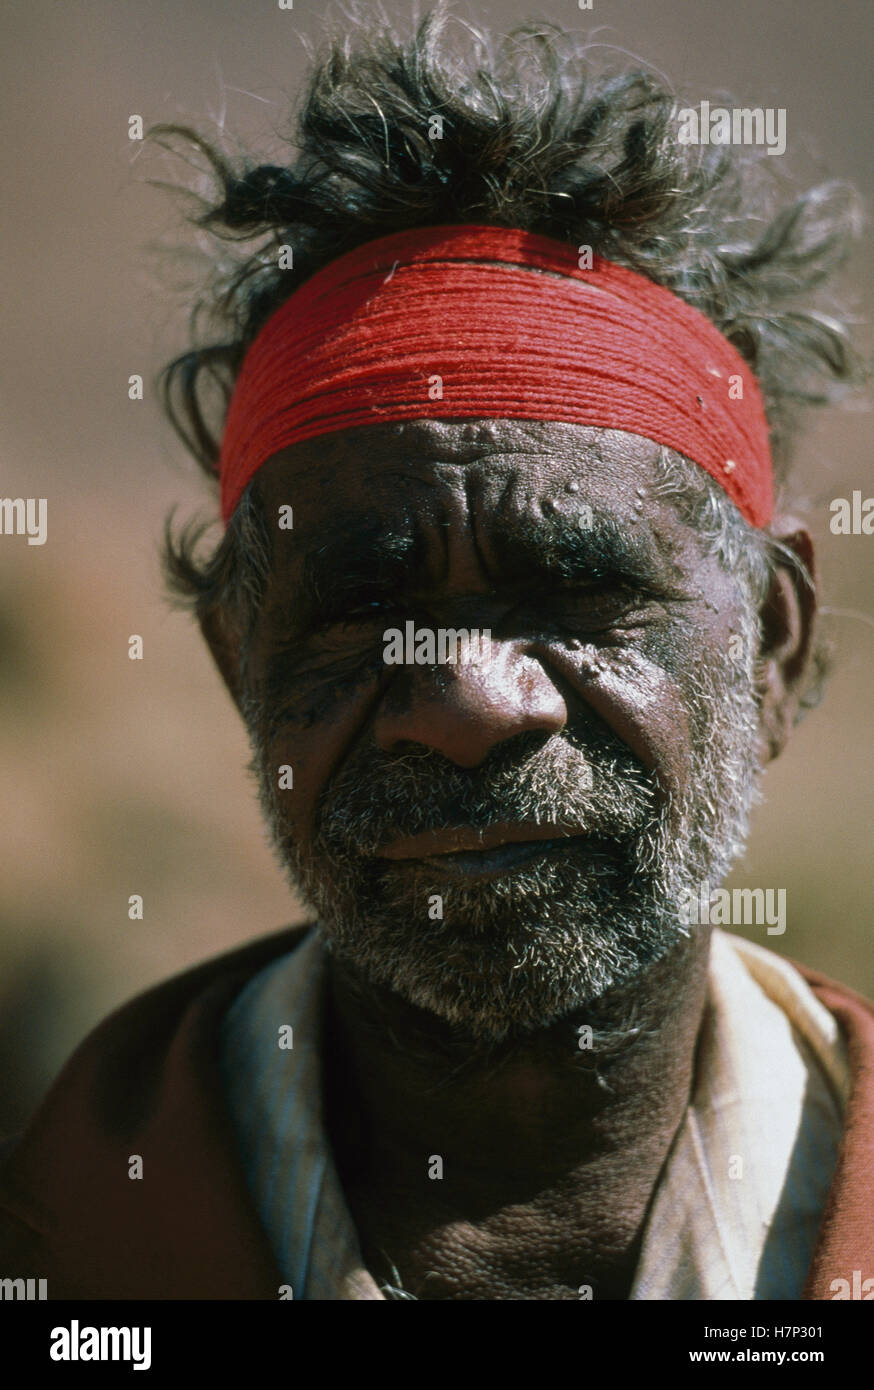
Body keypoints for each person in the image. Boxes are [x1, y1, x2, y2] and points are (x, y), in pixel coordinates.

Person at [1, 6, 871, 1301]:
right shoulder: (65, 1240)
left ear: (771, 648)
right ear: (241, 662)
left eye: (577, 591)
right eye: (360, 601)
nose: (469, 704)